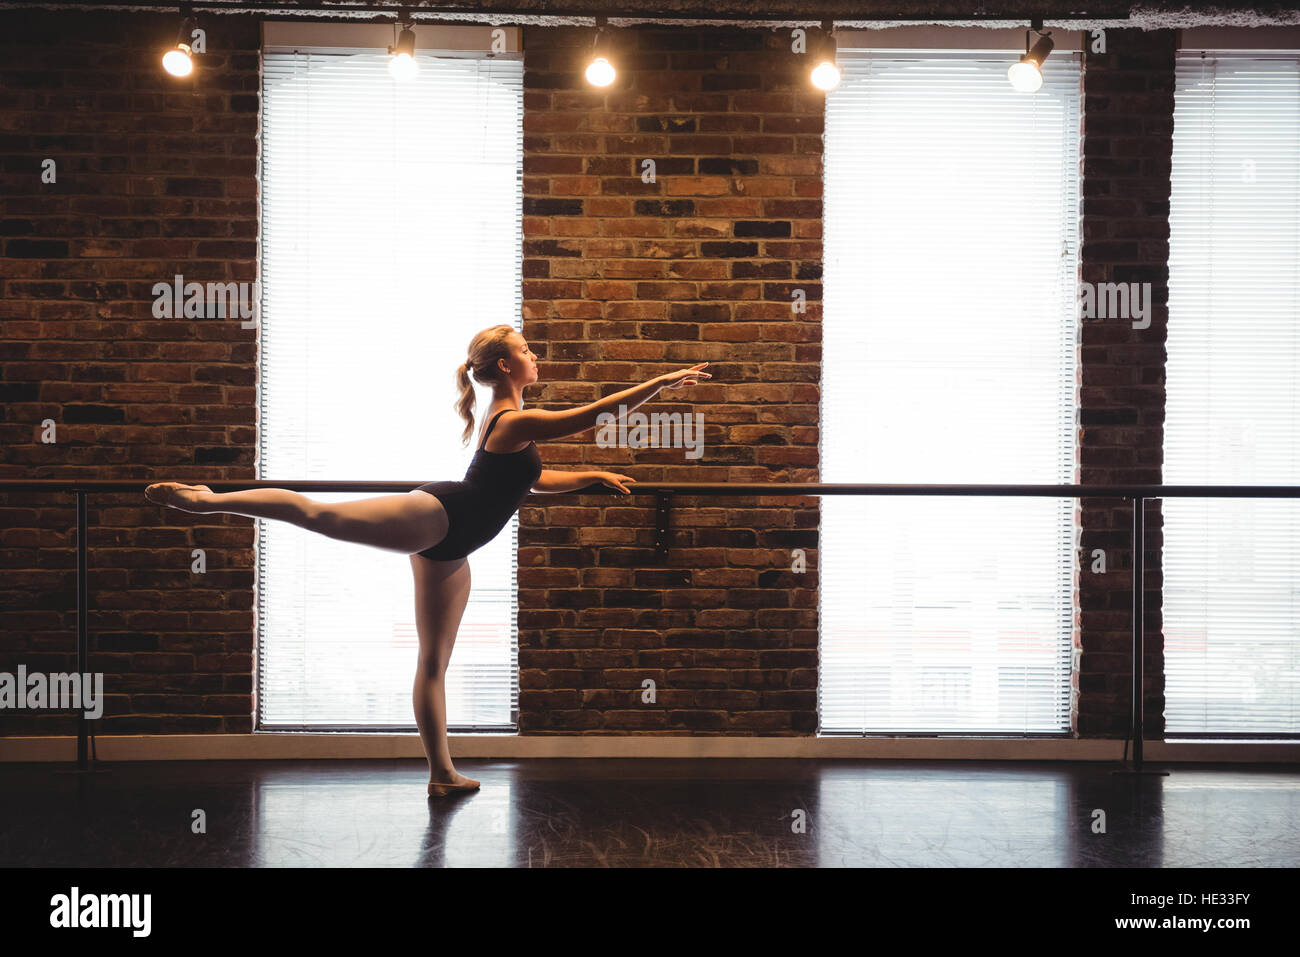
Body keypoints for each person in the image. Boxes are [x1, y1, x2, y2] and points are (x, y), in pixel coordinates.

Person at [145, 324, 709, 797]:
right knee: (318, 514)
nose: (535, 355)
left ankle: (442, 774)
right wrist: (662, 381)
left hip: (456, 546)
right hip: (438, 515)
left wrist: (589, 476)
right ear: (506, 366)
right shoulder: (511, 421)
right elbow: (595, 416)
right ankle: (207, 500)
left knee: (434, 662)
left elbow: (529, 484)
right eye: (526, 349)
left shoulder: (512, 420)